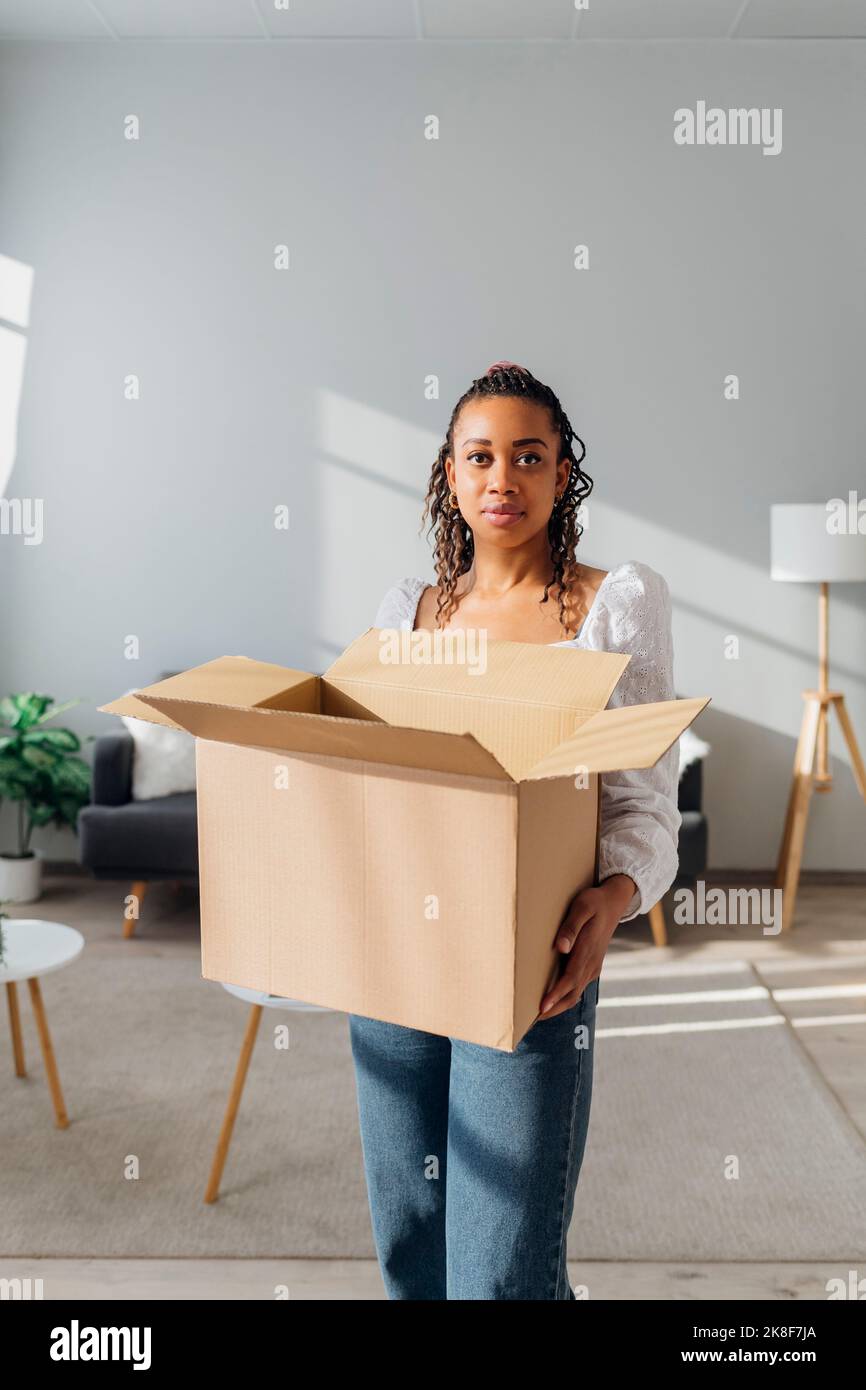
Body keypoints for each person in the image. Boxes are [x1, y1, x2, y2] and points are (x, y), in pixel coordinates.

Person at [348, 362, 681, 1300]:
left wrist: (614, 899)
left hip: (532, 960)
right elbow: (379, 782)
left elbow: (642, 796)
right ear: (449, 475)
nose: (504, 478)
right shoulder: (407, 613)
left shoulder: (614, 603)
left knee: (499, 1269)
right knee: (413, 1247)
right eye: (481, 457)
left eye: (529, 457)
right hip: (396, 965)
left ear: (563, 471)